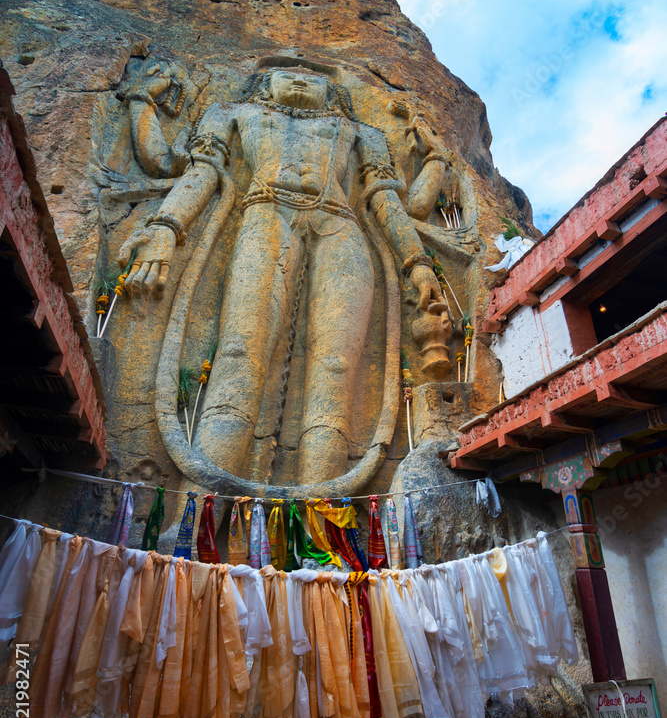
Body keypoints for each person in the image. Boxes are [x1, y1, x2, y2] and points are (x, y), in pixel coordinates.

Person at [118, 67, 445, 484]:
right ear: (263, 84)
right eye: (285, 74)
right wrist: (165, 227)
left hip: (340, 229)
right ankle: (195, 522)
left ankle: (322, 534)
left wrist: (419, 263)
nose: (299, 80)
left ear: (332, 92)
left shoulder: (361, 132)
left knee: (336, 367)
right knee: (237, 356)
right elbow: (181, 167)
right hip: (265, 216)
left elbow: (397, 204)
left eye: (312, 78)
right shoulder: (233, 113)